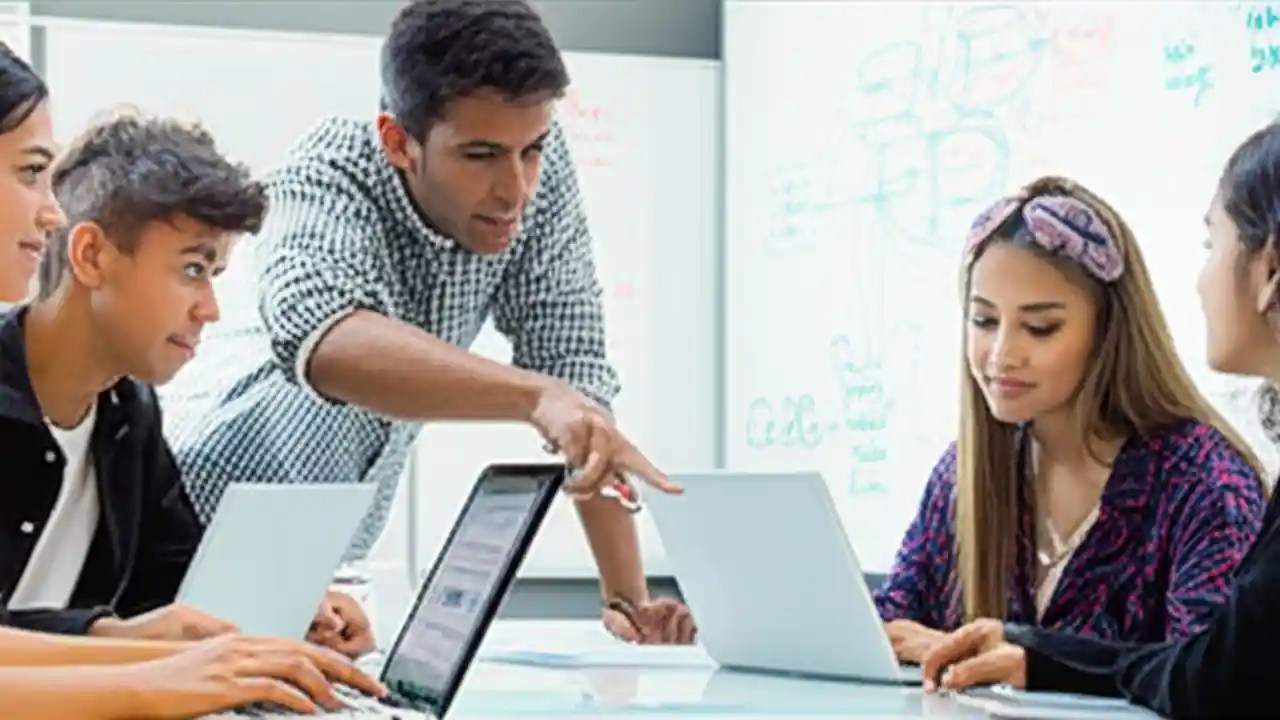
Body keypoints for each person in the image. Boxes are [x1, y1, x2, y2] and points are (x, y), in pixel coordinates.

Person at [160, 0, 695, 645]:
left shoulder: (536, 190)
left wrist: (627, 597)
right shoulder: (329, 171)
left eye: (533, 149)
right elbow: (325, 341)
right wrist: (534, 397)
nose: (515, 188)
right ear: (398, 141)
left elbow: (574, 376)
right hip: (189, 521)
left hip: (320, 562)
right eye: (480, 155)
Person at [0, 42, 384, 717]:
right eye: (192, 270)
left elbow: (174, 596)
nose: (208, 309)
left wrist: (288, 619)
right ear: (93, 256)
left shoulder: (127, 413)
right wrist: (126, 646)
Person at [920, 121, 1280, 718]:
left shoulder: (1206, 483)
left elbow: (1214, 681)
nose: (1003, 353)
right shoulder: (966, 471)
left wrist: (1037, 655)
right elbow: (1212, 671)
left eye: (1041, 327)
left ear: (1271, 270)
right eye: (983, 321)